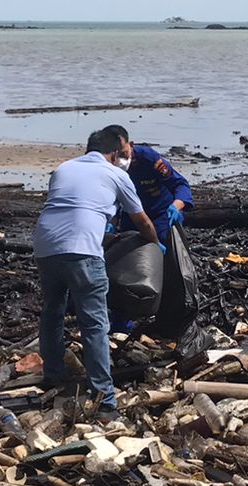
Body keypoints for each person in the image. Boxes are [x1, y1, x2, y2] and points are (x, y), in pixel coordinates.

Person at [33, 127, 160, 419]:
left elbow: (75, 208)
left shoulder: (63, 168)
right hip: (82, 252)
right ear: (116, 152)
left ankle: (53, 375)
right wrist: (155, 247)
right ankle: (104, 399)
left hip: (45, 246)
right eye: (126, 150)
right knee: (94, 323)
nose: (128, 156)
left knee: (52, 311)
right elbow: (142, 222)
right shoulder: (117, 175)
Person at [102, 124, 193, 242]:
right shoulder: (104, 166)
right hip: (131, 216)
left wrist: (176, 206)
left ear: (131, 145)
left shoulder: (149, 159)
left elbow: (180, 184)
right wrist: (111, 222)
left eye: (123, 154)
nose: (120, 161)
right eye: (115, 156)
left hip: (160, 214)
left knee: (161, 244)